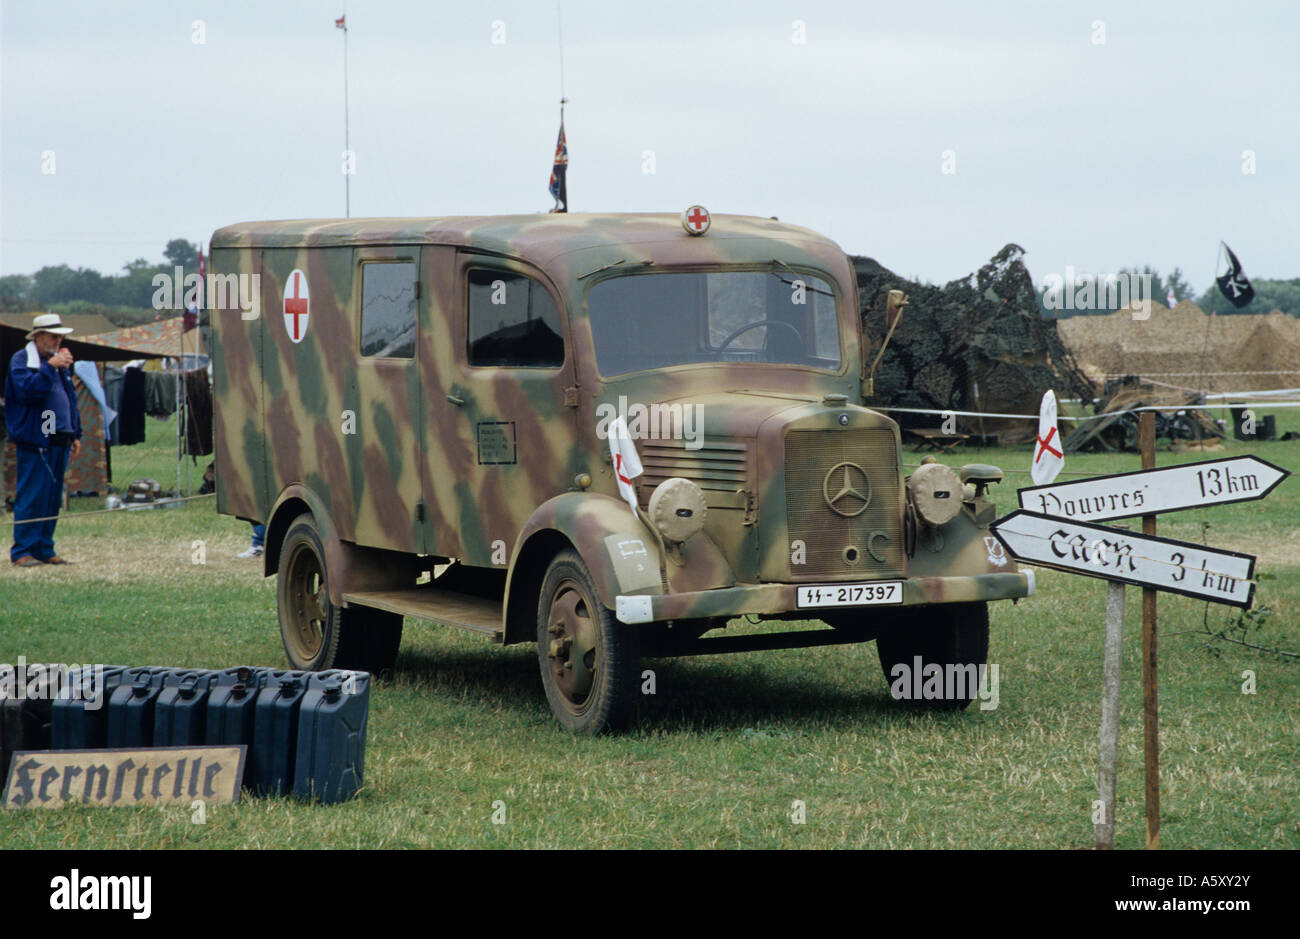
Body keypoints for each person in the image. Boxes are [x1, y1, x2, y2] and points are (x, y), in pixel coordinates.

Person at [5, 313, 82, 566]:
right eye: (53, 336)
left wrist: (75, 432)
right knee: (32, 493)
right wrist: (51, 367)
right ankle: (23, 551)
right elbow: (30, 393)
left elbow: (68, 397)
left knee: (51, 495)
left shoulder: (56, 363)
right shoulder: (22, 361)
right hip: (38, 434)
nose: (58, 340)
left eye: (61, 336)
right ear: (38, 336)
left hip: (59, 434)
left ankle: (44, 547)